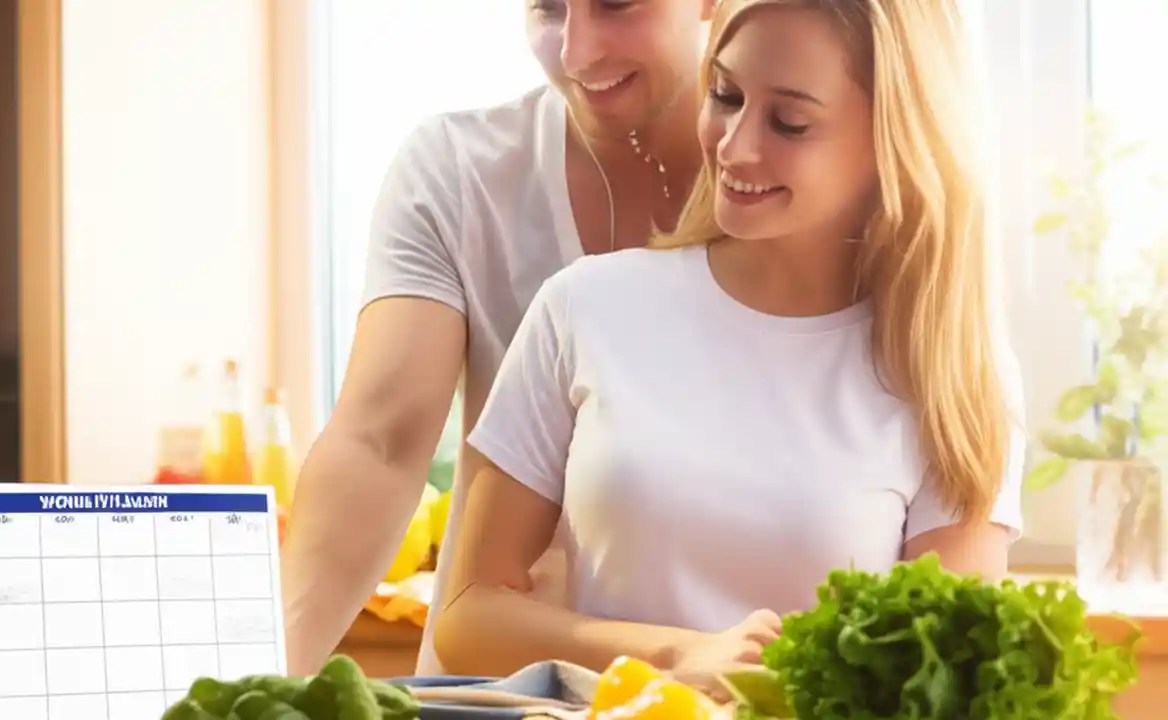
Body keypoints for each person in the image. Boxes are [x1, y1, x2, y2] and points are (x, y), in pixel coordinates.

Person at [433, 0, 1026, 683]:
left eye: (790, 122)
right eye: (726, 95)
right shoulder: (586, 307)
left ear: (893, 140)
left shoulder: (950, 378)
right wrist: (671, 656)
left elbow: (949, 682)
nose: (734, 147)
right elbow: (470, 618)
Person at [281, 0, 719, 676]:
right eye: (548, 9)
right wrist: (264, 679)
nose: (575, 55)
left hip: (715, 688)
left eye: (615, 5)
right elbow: (380, 442)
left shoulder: (809, 180)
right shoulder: (459, 171)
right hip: (493, 695)